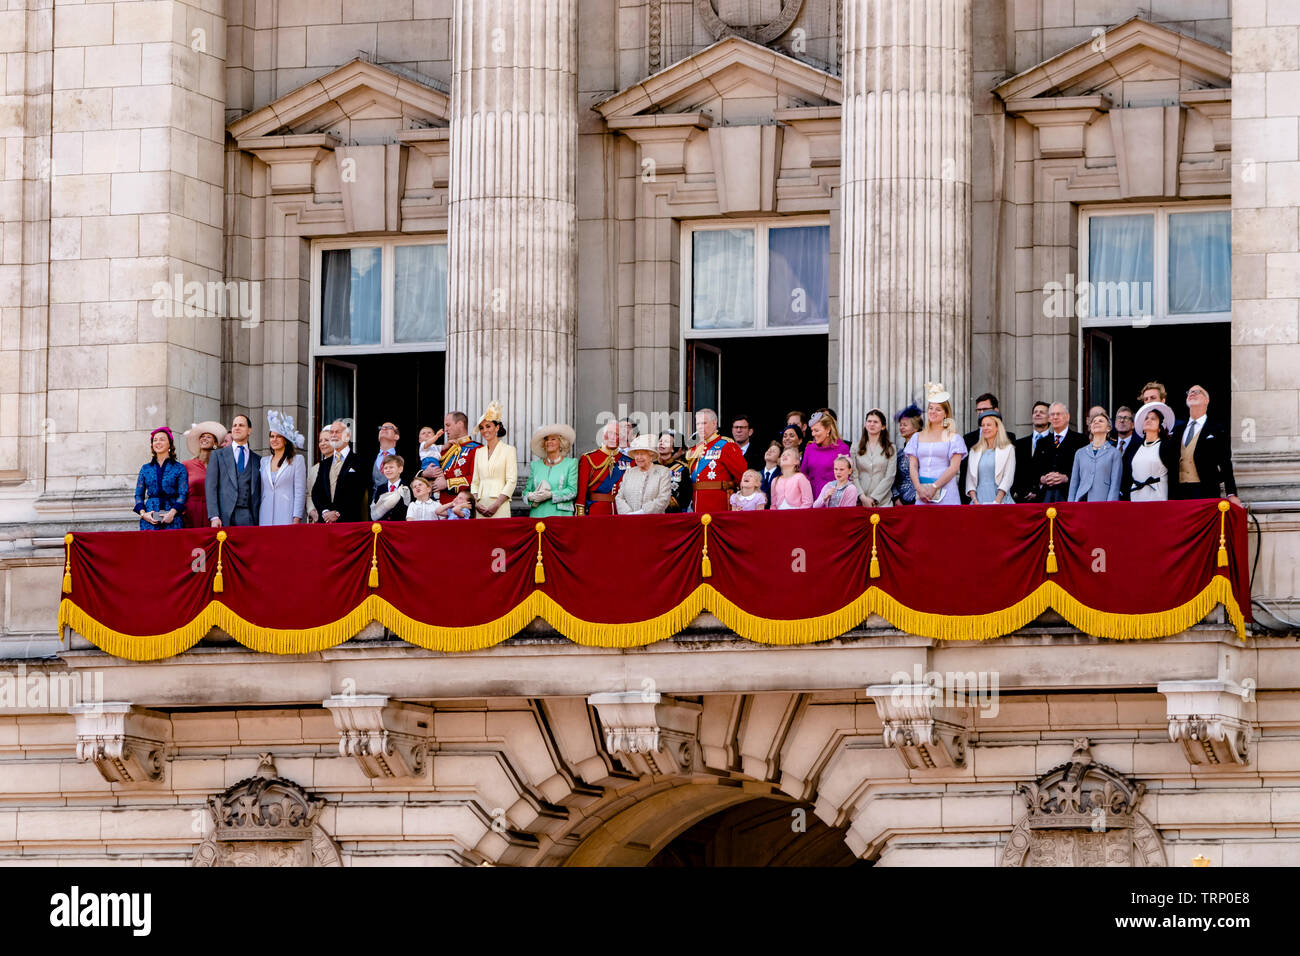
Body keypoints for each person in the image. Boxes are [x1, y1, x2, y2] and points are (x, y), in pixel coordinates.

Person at [1170, 385, 1242, 507]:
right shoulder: (1178, 430)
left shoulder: (1217, 429)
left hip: (1205, 490)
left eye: (1197, 392)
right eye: (1190, 392)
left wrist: (1231, 493)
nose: (1192, 393)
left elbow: (1225, 462)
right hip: (1179, 493)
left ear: (1206, 400)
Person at [904, 384, 967, 506]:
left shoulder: (954, 438)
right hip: (922, 494)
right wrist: (918, 488)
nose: (933, 412)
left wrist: (934, 487)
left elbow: (954, 468)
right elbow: (913, 465)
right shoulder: (917, 437)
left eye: (938, 409)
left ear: (945, 413)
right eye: (931, 408)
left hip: (947, 492)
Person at [685, 408, 748, 514]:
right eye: (698, 424)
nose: (700, 427)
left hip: (720, 504)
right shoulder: (695, 449)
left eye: (704, 423)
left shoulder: (726, 445)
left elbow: (741, 475)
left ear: (714, 424)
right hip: (697, 505)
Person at [959, 393, 1017, 503]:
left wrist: (996, 502)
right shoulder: (974, 450)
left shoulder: (1008, 448)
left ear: (997, 428)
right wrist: (975, 501)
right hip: (978, 502)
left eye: (989, 425)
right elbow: (970, 480)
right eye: (983, 425)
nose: (985, 428)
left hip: (1000, 501)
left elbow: (1008, 478)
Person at [207, 413, 261, 527]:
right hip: (223, 517)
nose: (237, 428)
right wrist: (214, 516)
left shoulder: (257, 460)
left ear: (249, 430)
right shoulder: (218, 455)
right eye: (234, 425)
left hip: (249, 518)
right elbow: (211, 487)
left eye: (241, 425)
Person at [1028, 402, 1087, 504]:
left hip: (1069, 496)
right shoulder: (1042, 442)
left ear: (1067, 417)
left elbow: (1085, 469)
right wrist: (1042, 479)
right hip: (1045, 497)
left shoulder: (1080, 440)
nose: (1055, 417)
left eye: (1058, 414)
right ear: (1049, 419)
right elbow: (1034, 470)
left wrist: (1065, 478)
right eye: (1052, 415)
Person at [311, 419, 367, 523]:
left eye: (337, 432)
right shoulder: (324, 464)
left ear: (347, 436)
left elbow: (358, 492)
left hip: (348, 522)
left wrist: (337, 513)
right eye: (331, 432)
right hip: (325, 523)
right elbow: (316, 492)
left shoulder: (359, 462)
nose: (333, 435)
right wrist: (325, 512)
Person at [134, 426, 188, 530]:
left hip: (173, 517)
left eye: (162, 439)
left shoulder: (179, 468)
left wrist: (172, 513)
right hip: (150, 517)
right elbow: (138, 495)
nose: (158, 442)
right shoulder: (145, 468)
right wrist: (143, 514)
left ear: (169, 444)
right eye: (155, 440)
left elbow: (183, 493)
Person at [258, 410, 307, 525]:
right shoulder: (263, 461)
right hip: (265, 514)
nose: (274, 439)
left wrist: (297, 517)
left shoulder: (297, 460)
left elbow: (300, 491)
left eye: (278, 436)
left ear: (285, 440)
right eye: (272, 436)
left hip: (287, 514)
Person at [469, 402, 516, 518]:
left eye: (488, 426)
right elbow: (475, 482)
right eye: (481, 428)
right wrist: (476, 503)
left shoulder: (509, 450)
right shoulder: (479, 452)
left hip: (500, 505)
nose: (485, 430)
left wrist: (496, 505)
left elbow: (511, 481)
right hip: (480, 506)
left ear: (497, 427)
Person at [424, 411, 482, 506]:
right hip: (437, 506)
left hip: (459, 506)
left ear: (460, 424)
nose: (445, 429)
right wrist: (425, 473)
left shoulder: (476, 449)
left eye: (448, 425)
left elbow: (475, 479)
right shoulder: (444, 449)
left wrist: (448, 483)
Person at [524, 423, 579, 518]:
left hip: (561, 516)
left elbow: (572, 491)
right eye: (546, 439)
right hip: (538, 515)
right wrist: (530, 496)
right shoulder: (535, 465)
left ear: (561, 442)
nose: (549, 442)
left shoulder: (571, 464)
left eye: (553, 439)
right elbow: (526, 491)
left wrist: (550, 495)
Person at [578, 422, 633, 516]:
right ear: (603, 435)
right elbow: (581, 491)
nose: (612, 437)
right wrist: (580, 512)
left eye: (616, 434)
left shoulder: (630, 461)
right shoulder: (588, 458)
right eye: (609, 433)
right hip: (596, 511)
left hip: (621, 511)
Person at [1067, 411, 1123, 502]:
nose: (1096, 422)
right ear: (1090, 428)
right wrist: (1071, 505)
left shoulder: (1114, 453)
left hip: (1102, 501)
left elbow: (1115, 484)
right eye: (1094, 421)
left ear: (1108, 428)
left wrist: (1111, 506)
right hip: (1081, 500)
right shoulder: (1080, 453)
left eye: (1101, 421)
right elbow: (1074, 483)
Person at [1130, 401, 1180, 502]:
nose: (1148, 420)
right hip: (1136, 497)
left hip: (1158, 497)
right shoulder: (1135, 448)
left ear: (1160, 427)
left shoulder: (1166, 446)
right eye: (1146, 418)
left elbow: (1174, 475)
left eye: (1153, 419)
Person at [181, 420, 226, 528]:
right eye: (202, 436)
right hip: (191, 512)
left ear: (215, 443)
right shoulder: (186, 465)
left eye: (208, 437)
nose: (204, 438)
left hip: (213, 513)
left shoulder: (220, 465)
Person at [799, 409, 851, 499]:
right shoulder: (809, 448)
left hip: (834, 498)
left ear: (828, 429)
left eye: (816, 430)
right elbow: (803, 474)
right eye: (812, 430)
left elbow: (846, 477)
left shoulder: (842, 448)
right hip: (812, 497)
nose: (813, 434)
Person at [616, 435, 672, 514]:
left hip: (653, 521)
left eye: (642, 454)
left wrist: (643, 512)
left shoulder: (663, 472)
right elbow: (619, 497)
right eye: (637, 454)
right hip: (629, 521)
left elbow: (664, 499)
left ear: (651, 456)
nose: (639, 457)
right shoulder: (629, 472)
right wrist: (628, 514)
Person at [853, 408, 896, 508]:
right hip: (860, 502)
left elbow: (890, 476)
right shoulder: (855, 447)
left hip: (883, 502)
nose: (872, 424)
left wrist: (873, 498)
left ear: (883, 426)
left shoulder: (890, 448)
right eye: (869, 421)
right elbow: (853, 475)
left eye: (876, 422)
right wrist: (862, 497)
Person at [1012, 400, 1052, 502]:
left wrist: (1039, 491)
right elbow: (1015, 472)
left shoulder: (1055, 442)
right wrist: (1024, 492)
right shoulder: (1019, 444)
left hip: (1047, 499)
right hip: (1023, 500)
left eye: (1042, 412)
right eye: (1035, 412)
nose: (1037, 414)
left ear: (1050, 418)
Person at [892, 404, 921, 504]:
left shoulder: (923, 450)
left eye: (905, 425)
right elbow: (893, 478)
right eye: (900, 425)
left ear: (916, 428)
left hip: (920, 498)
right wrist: (896, 498)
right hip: (901, 501)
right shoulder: (899, 453)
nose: (901, 427)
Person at [658, 431, 693, 513]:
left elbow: (686, 497)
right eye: (660, 441)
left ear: (673, 448)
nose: (661, 443)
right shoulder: (651, 465)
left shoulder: (682, 469)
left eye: (666, 441)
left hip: (673, 514)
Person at [1111, 406, 1140, 502]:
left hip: (1132, 497)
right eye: (1119, 418)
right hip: (1111, 498)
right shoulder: (1109, 446)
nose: (1122, 421)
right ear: (1115, 423)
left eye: (1126, 418)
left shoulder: (1140, 446)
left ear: (1133, 424)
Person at [371, 455, 410, 522]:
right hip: (383, 526)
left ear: (400, 469)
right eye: (385, 468)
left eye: (391, 467)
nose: (388, 470)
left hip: (400, 525)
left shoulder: (406, 488)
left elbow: (408, 507)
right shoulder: (380, 488)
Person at [306, 427, 332, 522]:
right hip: (318, 519)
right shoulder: (314, 469)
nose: (322, 443)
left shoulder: (341, 466)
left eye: (326, 440)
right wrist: (311, 510)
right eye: (320, 441)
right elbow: (309, 494)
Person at [372, 421, 401, 488]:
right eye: (381, 428)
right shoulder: (367, 457)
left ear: (396, 436)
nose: (384, 429)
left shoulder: (403, 457)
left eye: (389, 427)